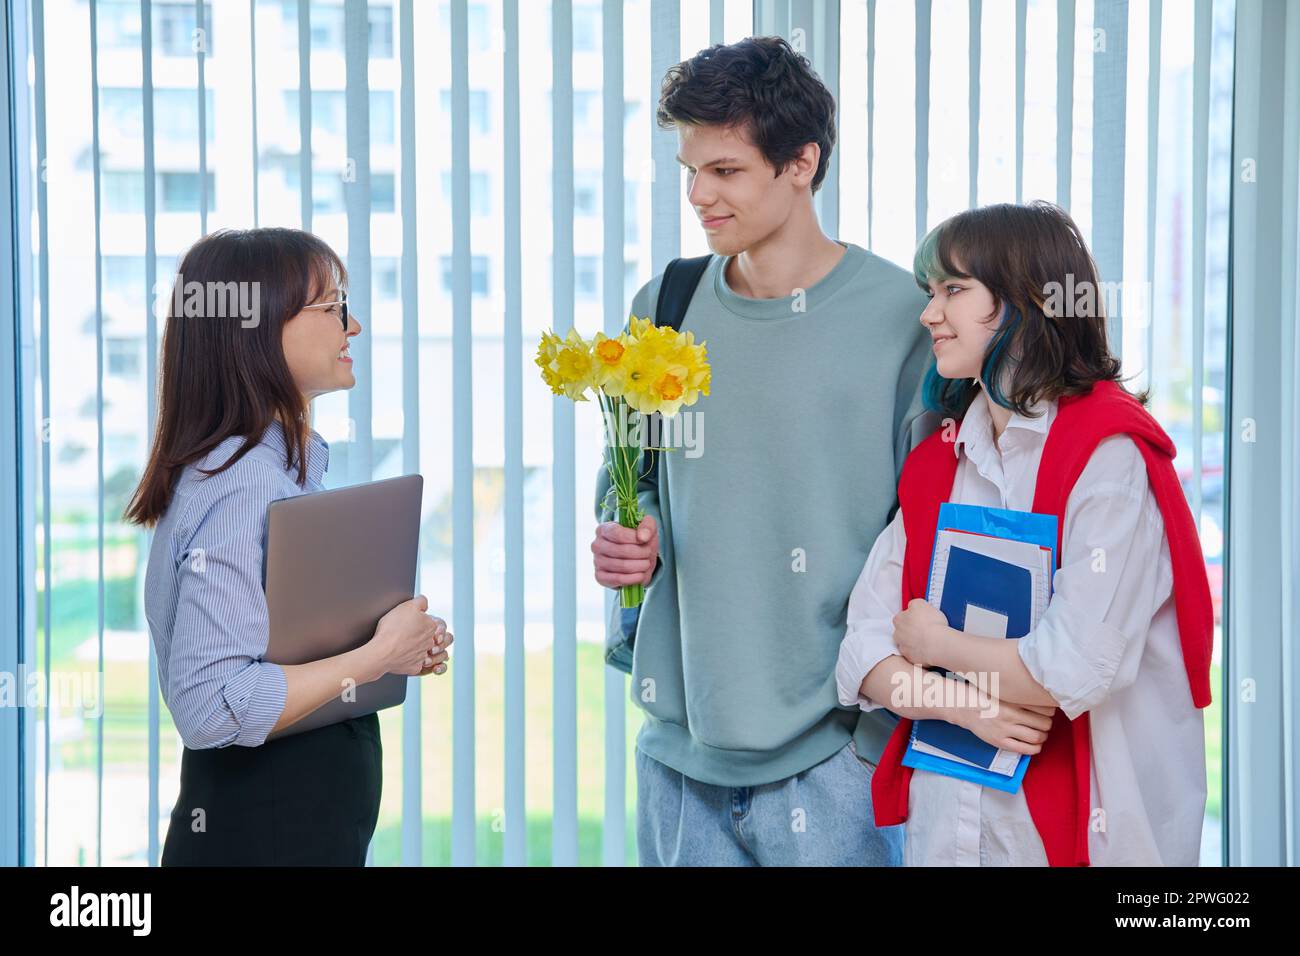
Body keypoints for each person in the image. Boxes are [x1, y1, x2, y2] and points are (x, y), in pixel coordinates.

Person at [591, 36, 932, 866]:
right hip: (679, 755)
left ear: (801, 163)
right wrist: (625, 536)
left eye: (726, 171)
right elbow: (628, 481)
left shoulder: (905, 317)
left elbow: (927, 530)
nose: (699, 195)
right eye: (690, 170)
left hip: (838, 757)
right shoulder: (664, 302)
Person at [836, 201, 1212, 865]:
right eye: (931, 292)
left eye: (953, 291)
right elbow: (862, 654)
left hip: (1088, 836)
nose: (929, 314)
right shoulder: (939, 460)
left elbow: (1069, 669)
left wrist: (935, 643)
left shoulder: (1109, 459)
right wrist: (958, 704)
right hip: (946, 829)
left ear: (1023, 304)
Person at [126, 227, 452, 866]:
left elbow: (280, 648)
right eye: (332, 308)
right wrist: (376, 653)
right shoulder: (244, 479)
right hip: (259, 834)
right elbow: (211, 707)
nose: (351, 326)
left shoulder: (278, 469)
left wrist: (388, 649)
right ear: (258, 329)